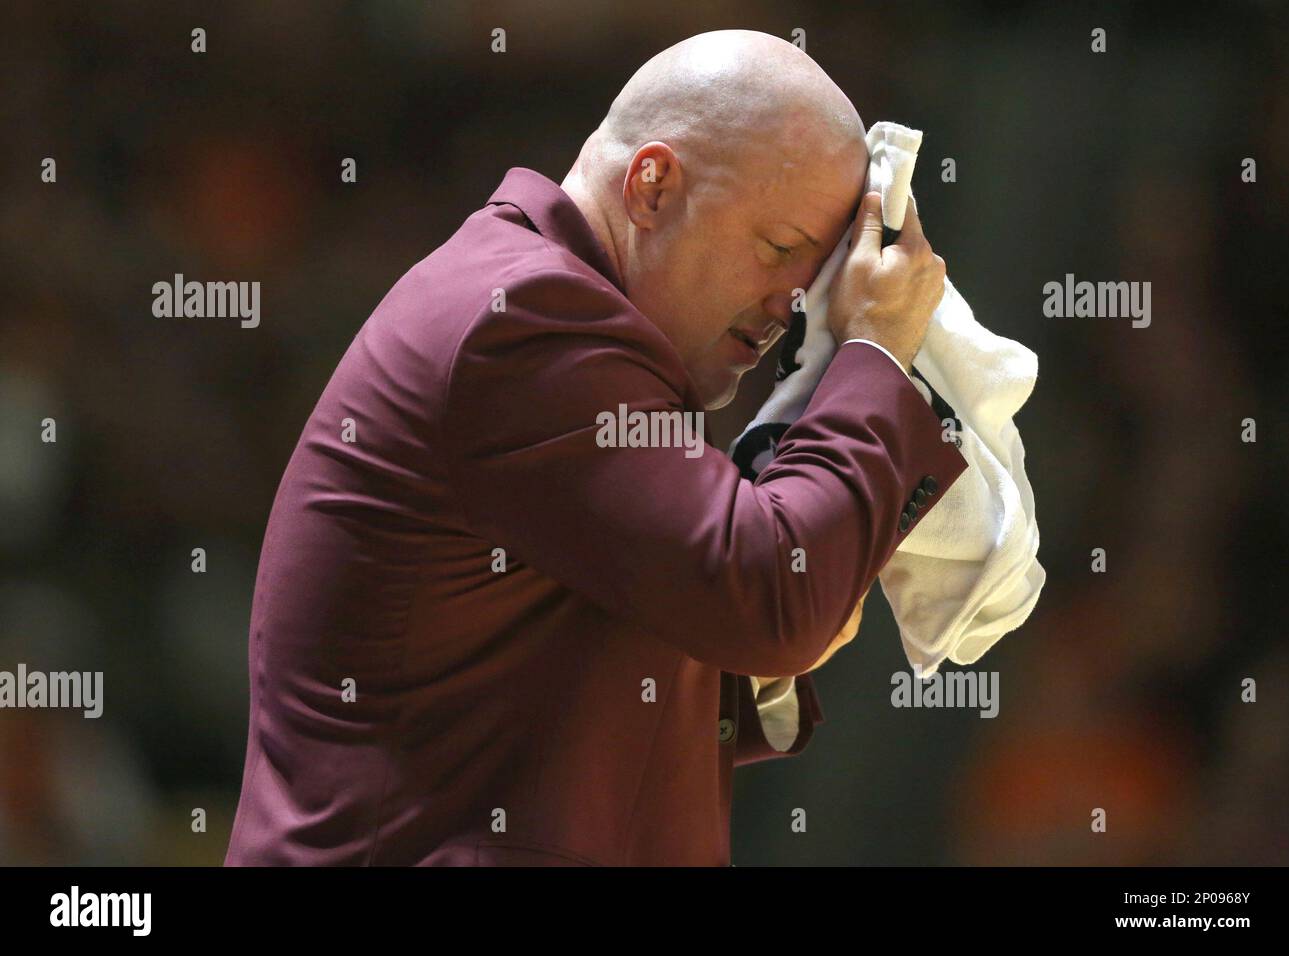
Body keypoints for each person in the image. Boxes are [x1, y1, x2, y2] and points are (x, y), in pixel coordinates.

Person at [225, 29, 963, 866]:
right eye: (781, 249)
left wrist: (767, 622)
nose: (794, 305)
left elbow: (655, 675)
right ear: (651, 185)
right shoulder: (525, 318)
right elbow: (772, 597)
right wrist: (873, 351)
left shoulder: (560, 322)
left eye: (816, 277)